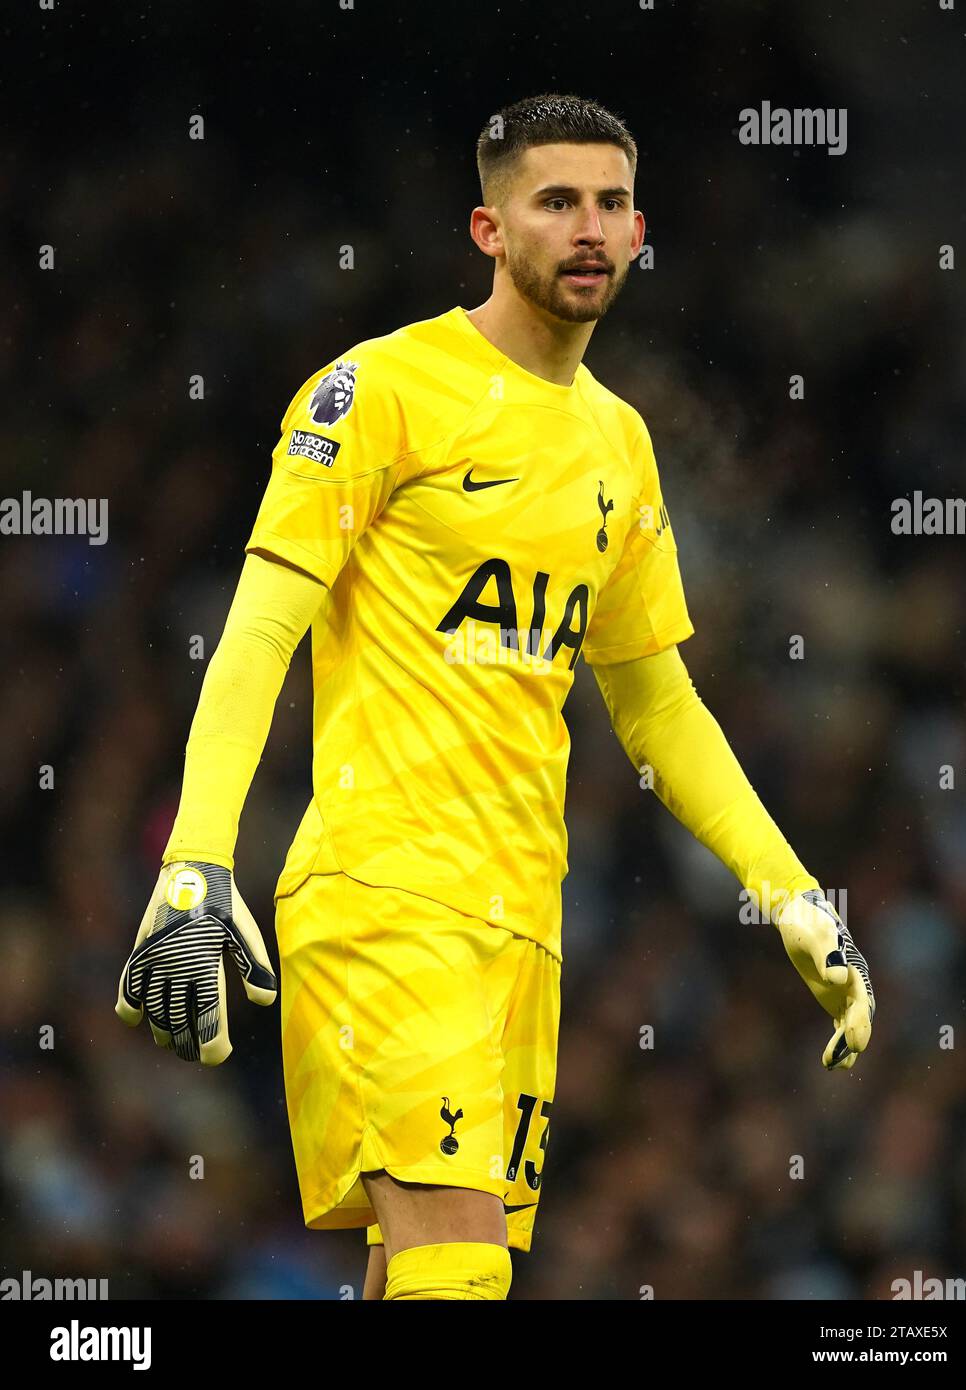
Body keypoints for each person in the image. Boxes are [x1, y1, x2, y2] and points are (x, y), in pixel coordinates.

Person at [116, 93, 874, 1301]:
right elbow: (260, 631)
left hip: (522, 916)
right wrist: (197, 855)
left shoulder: (618, 444)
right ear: (487, 227)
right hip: (385, 889)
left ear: (639, 233)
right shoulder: (377, 391)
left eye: (611, 204)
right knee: (457, 1261)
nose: (587, 227)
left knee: (419, 1266)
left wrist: (785, 887)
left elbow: (656, 698)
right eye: (556, 201)